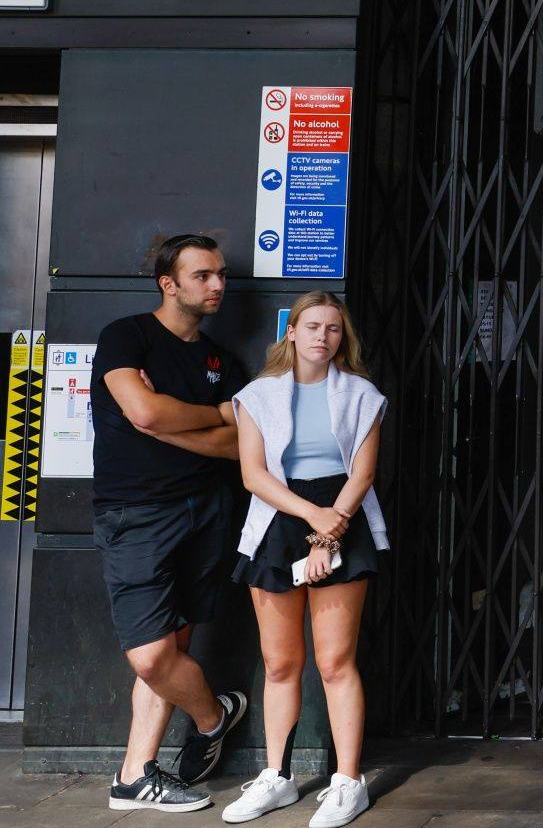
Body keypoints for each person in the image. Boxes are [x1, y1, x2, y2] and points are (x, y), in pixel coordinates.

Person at [92, 232, 250, 812]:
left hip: (207, 512)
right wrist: (207, 417)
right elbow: (142, 410)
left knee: (175, 642)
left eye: (221, 275)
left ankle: (135, 776)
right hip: (135, 513)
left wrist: (170, 425)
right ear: (169, 283)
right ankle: (215, 716)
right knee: (152, 657)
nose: (218, 285)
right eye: (204, 275)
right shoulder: (125, 336)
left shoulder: (222, 362)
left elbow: (240, 446)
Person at [220, 292, 388, 827]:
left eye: (333, 328)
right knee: (279, 663)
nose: (322, 336)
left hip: (343, 516)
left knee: (335, 662)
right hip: (277, 520)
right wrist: (311, 520)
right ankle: (277, 777)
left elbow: (361, 475)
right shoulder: (257, 396)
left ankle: (347, 782)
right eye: (311, 326)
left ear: (344, 337)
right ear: (290, 332)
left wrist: (328, 534)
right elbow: (254, 475)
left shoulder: (362, 395)